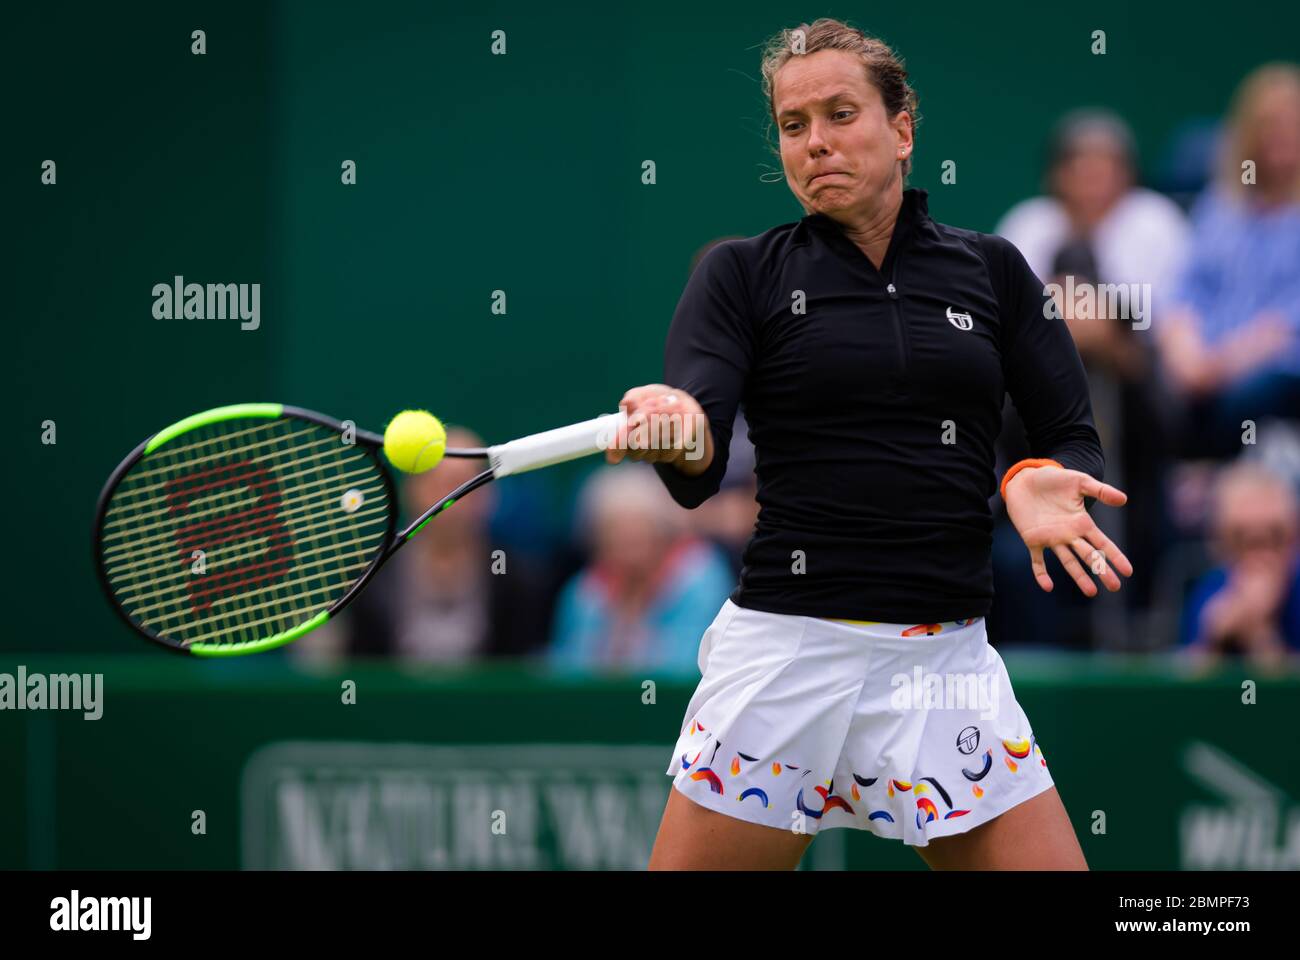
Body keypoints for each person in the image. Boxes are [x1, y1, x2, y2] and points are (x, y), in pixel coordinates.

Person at [607, 18, 1132, 870]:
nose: (816, 142)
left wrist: (1039, 477)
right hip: (787, 656)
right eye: (792, 124)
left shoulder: (995, 270)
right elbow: (696, 462)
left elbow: (1070, 433)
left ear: (903, 128)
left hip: (945, 659)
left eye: (841, 114)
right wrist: (676, 426)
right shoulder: (741, 274)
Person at [993, 109, 1191, 641]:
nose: (1092, 179)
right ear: (1056, 173)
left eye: (1106, 166)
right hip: (1031, 423)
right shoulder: (1028, 224)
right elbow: (1016, 326)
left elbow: (1143, 326)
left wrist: (1085, 320)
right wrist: (1078, 322)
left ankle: (1139, 627)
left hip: (1142, 418)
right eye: (1079, 165)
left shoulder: (1154, 222)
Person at [300, 426, 553, 663]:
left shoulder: (519, 581)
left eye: (465, 484)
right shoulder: (368, 580)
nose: (451, 498)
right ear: (412, 490)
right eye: (439, 483)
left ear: (487, 496)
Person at [1157, 63, 1300, 460]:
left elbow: (1285, 327)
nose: (1280, 135)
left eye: (1291, 122)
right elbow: (1183, 292)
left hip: (1270, 374)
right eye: (1268, 123)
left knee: (1250, 396)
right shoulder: (1220, 207)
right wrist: (1182, 347)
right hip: (1205, 370)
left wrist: (1219, 365)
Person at [548, 464, 735, 675]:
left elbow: (687, 668)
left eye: (637, 538)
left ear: (661, 535)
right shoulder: (583, 595)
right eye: (614, 539)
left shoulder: (700, 578)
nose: (628, 553)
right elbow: (569, 673)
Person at [1180, 461, 1300, 671]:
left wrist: (1260, 634)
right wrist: (1213, 637)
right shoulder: (1209, 593)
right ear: (1220, 543)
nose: (1259, 556)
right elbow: (1188, 690)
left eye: (1275, 536)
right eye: (1242, 539)